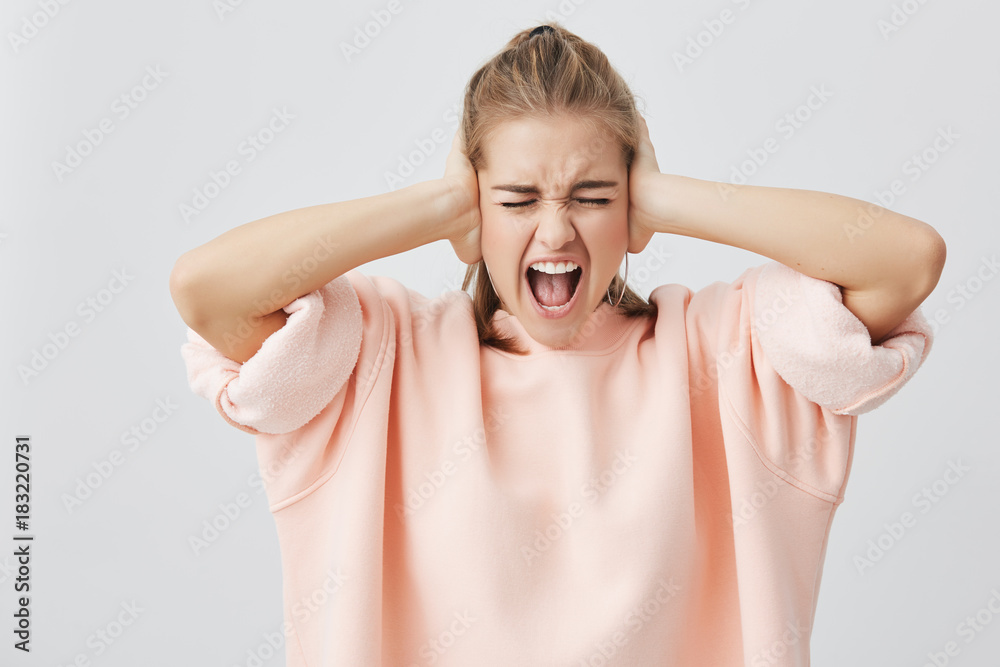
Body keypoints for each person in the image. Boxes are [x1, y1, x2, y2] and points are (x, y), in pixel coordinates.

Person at [171, 22, 945, 666]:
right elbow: (208, 291)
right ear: (476, 209)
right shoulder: (382, 357)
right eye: (515, 199)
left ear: (631, 202)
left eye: (592, 196)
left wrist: (665, 200)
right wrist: (438, 203)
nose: (554, 230)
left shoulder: (720, 356)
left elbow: (907, 260)